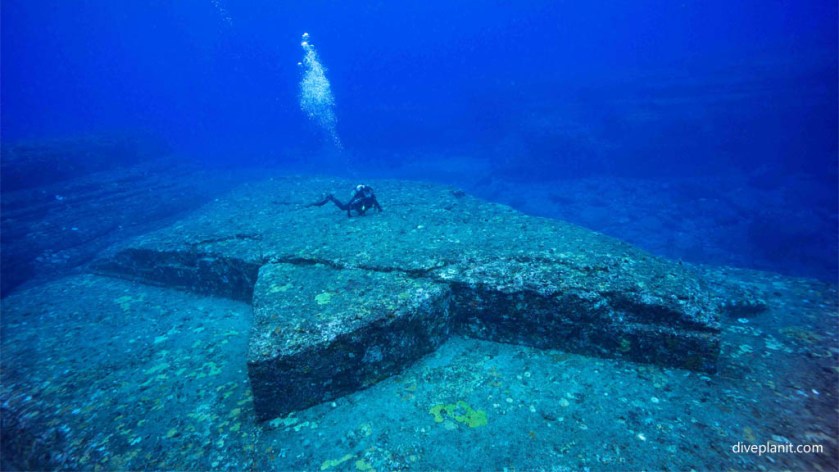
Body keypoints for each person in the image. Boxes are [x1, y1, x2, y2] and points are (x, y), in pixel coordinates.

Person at [307, 184, 383, 217]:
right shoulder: (359, 196)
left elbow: (375, 201)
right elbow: (350, 204)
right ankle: (331, 197)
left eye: (369, 193)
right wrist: (349, 214)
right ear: (364, 192)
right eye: (367, 193)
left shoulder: (371, 195)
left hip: (361, 205)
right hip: (356, 205)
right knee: (343, 207)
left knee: (361, 210)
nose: (368, 194)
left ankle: (331, 197)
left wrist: (379, 209)